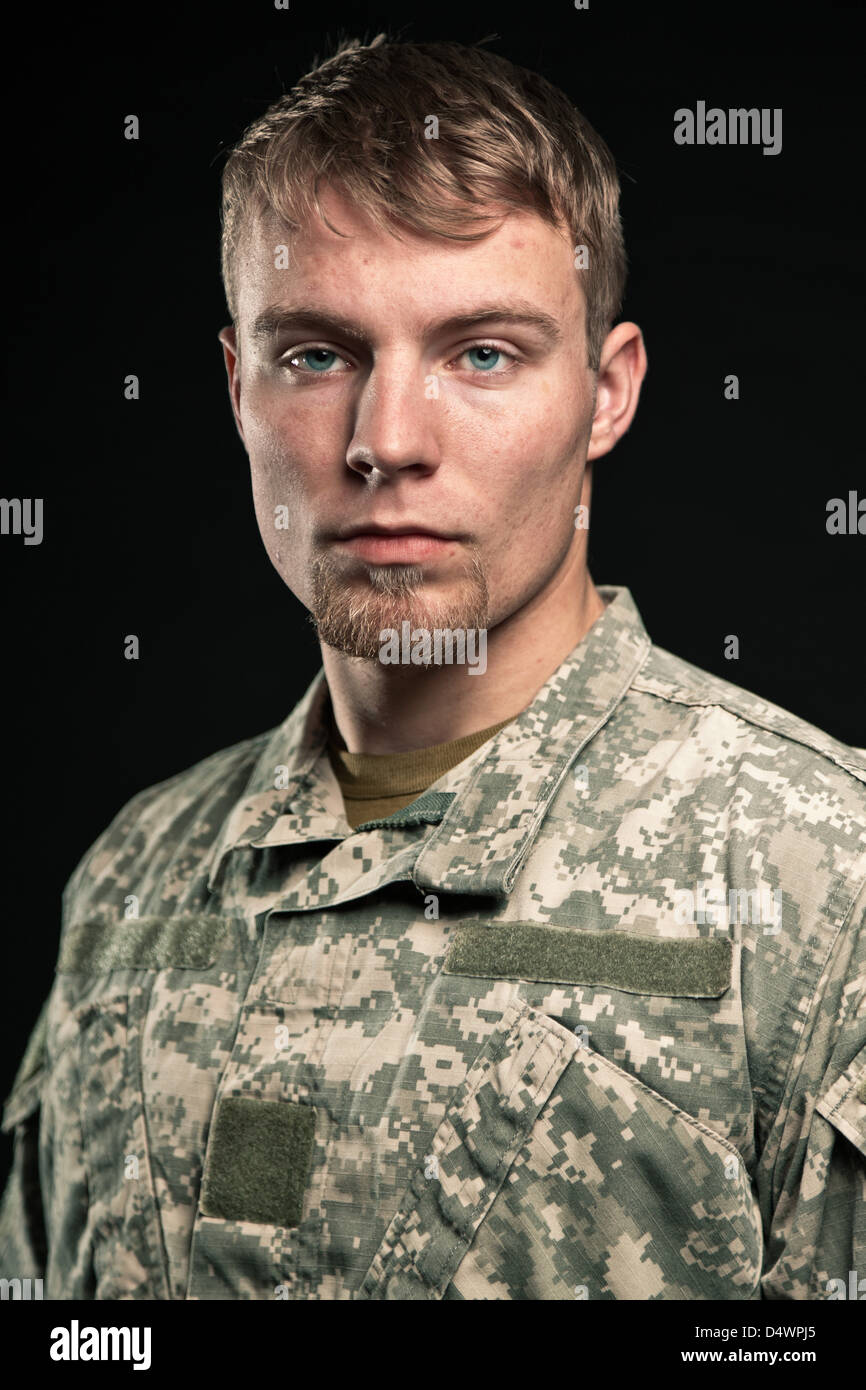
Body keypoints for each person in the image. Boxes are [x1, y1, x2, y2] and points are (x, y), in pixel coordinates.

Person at [1, 33, 863, 1301]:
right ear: (237, 388)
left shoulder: (825, 877)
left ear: (606, 393)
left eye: (482, 353)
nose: (384, 441)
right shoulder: (132, 876)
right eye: (316, 355)